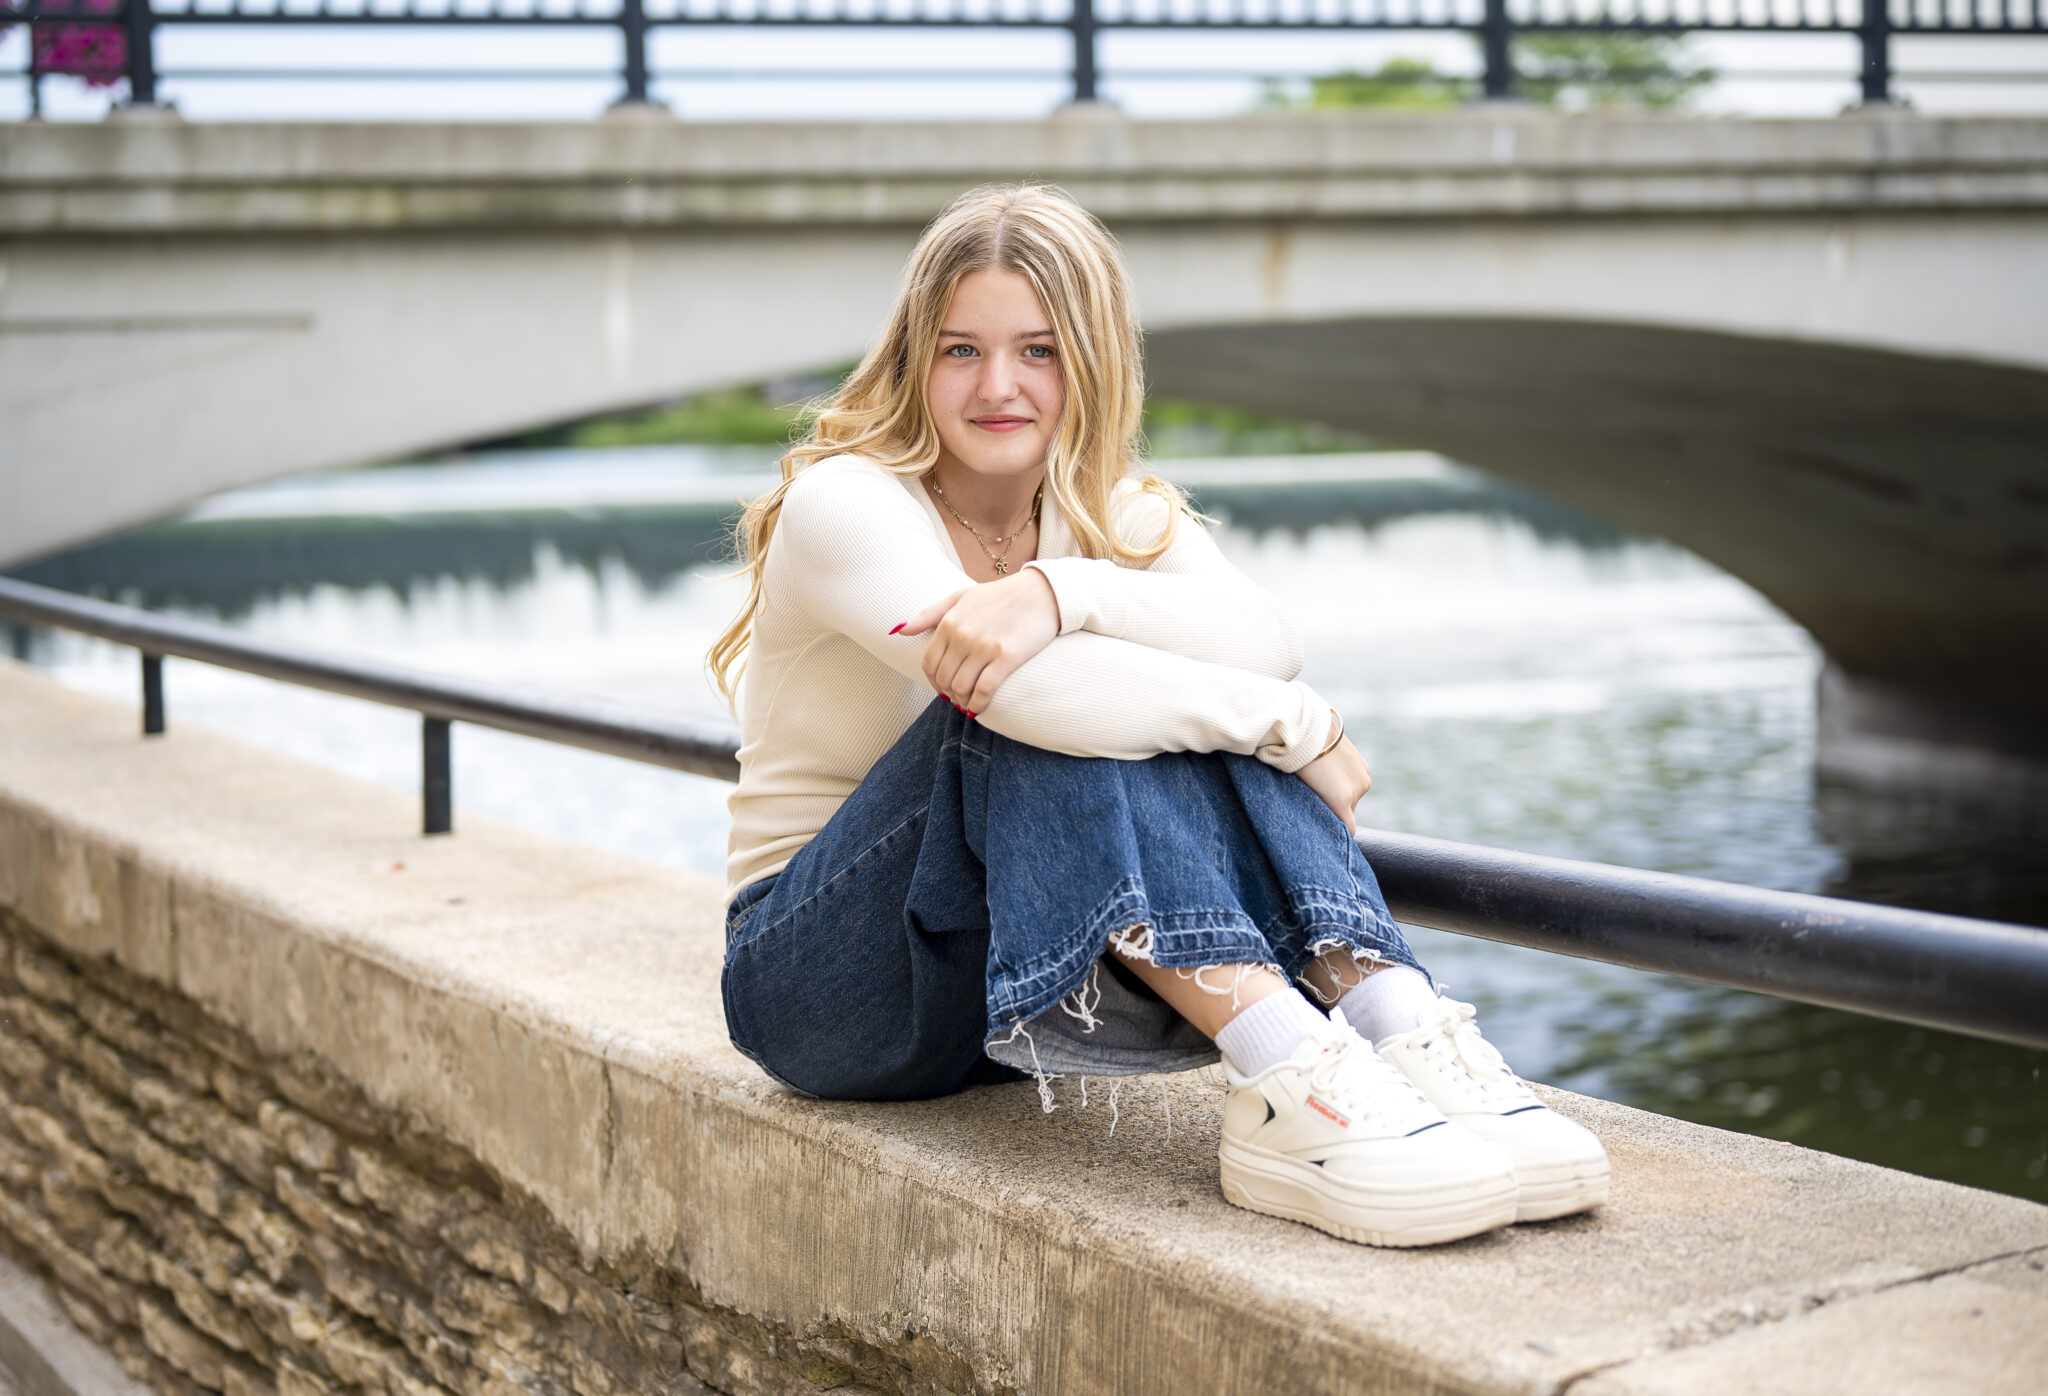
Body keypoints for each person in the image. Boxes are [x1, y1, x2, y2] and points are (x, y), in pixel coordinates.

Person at [708, 183, 1607, 1248]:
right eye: (959, 351)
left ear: (1087, 359)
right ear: (915, 360)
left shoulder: (1110, 514)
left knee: (1134, 690)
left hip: (1014, 998)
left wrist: (1060, 592)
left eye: (1036, 350)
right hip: (820, 984)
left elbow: (1264, 639)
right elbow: (1027, 696)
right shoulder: (848, 501)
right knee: (1018, 709)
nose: (997, 385)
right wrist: (1293, 727)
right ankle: (1285, 1068)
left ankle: (1386, 1019)